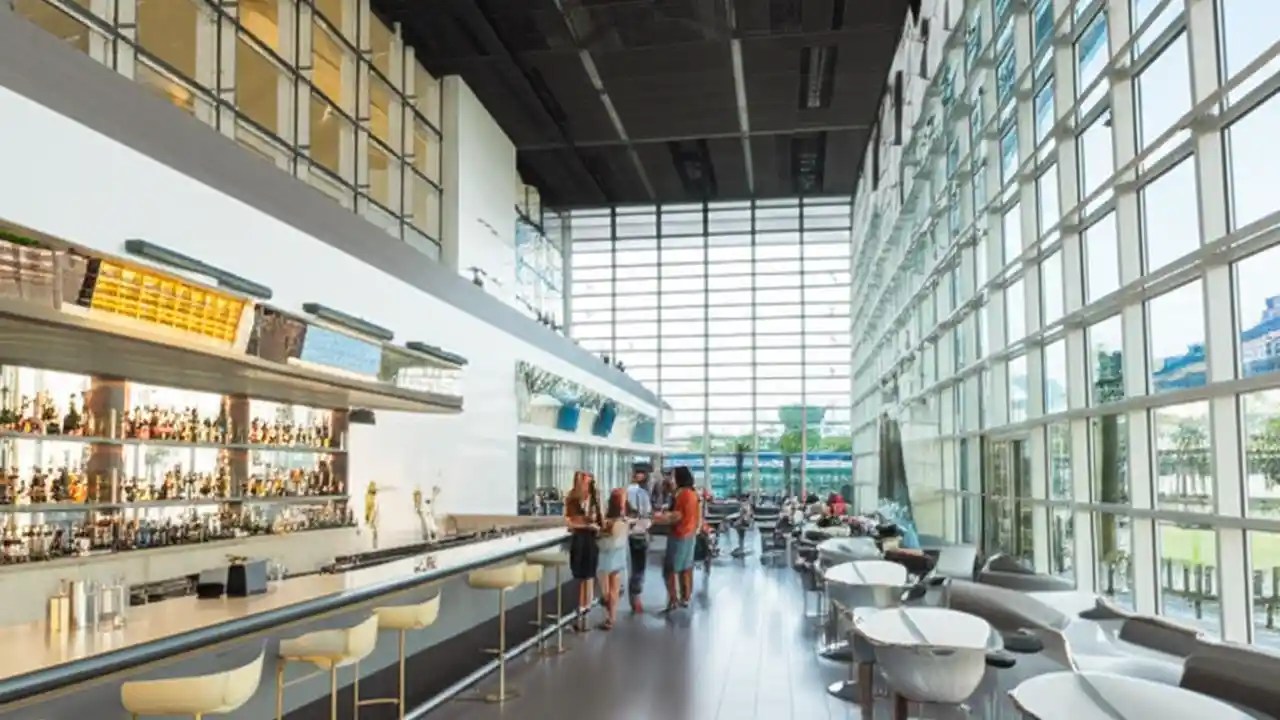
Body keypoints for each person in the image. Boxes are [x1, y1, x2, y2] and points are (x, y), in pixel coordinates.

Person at [656, 465, 701, 611]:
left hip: (680, 535)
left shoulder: (683, 495)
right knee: (686, 568)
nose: (670, 479)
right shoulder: (692, 493)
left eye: (673, 476)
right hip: (690, 534)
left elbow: (677, 516)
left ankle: (673, 599)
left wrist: (657, 519)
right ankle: (685, 598)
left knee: (669, 569)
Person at [564, 470, 601, 631]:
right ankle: (581, 615)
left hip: (591, 540)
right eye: (585, 479)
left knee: (589, 577)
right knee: (581, 577)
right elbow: (570, 522)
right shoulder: (572, 498)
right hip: (580, 540)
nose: (588, 482)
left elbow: (600, 519)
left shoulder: (594, 498)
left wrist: (593, 524)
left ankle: (584, 614)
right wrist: (586, 524)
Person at [596, 488, 629, 630]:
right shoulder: (623, 520)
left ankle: (609, 615)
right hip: (619, 554)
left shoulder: (609, 521)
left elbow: (602, 533)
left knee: (606, 589)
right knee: (614, 587)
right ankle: (612, 616)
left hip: (607, 554)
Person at [625, 469, 653, 613]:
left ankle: (633, 598)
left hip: (626, 533)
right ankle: (636, 598)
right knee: (639, 567)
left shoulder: (623, 493)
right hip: (640, 533)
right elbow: (647, 514)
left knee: (632, 567)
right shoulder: (642, 494)